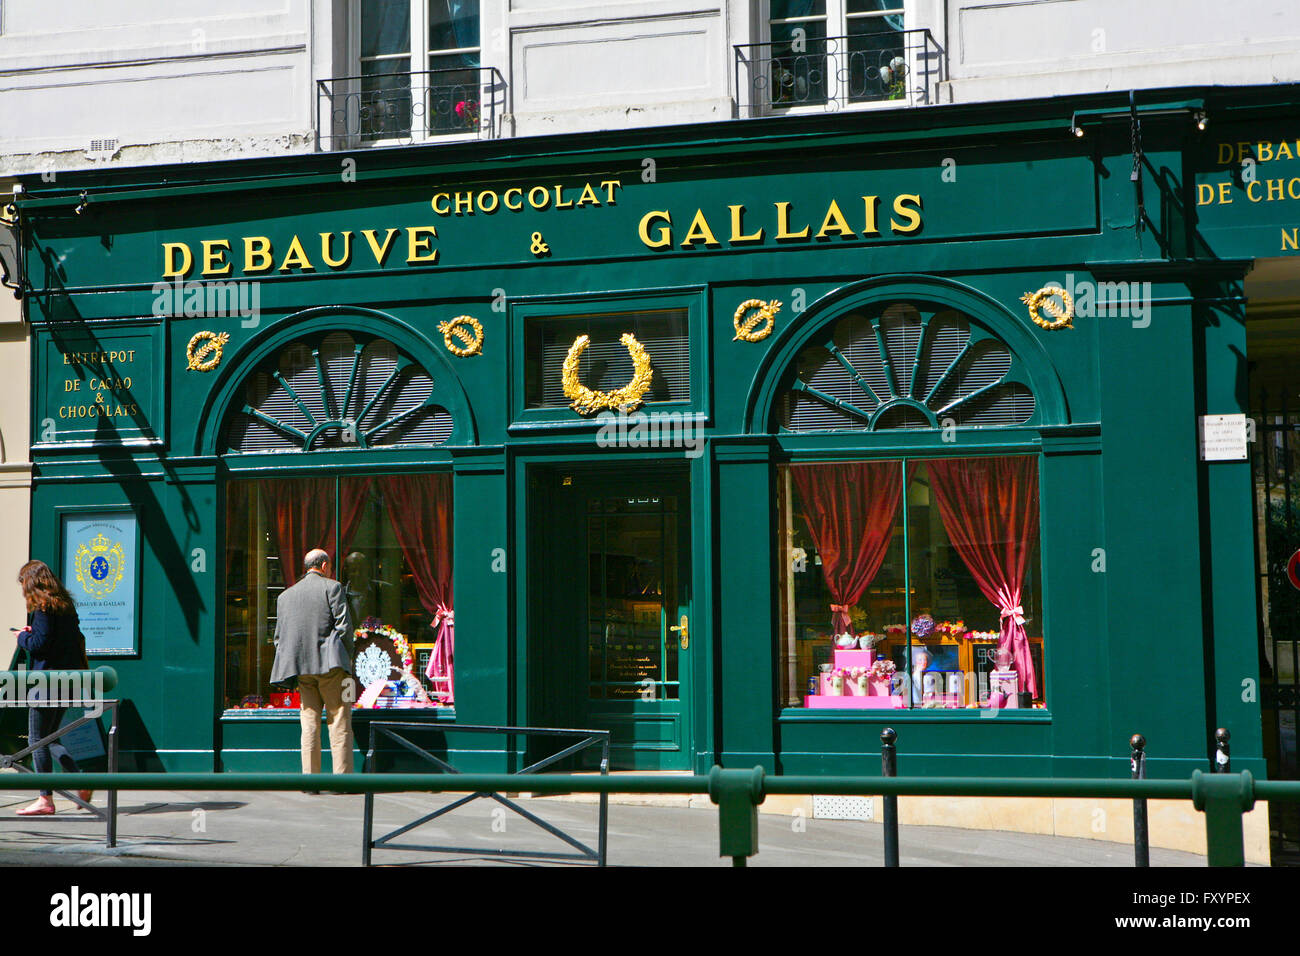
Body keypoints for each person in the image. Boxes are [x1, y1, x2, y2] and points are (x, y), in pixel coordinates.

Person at [14, 560, 92, 816]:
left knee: (37, 740)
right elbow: (58, 640)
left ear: (32, 582)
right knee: (51, 737)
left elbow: (40, 645)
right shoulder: (65, 605)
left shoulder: (44, 607)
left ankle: (45, 799)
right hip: (67, 680)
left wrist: (22, 637)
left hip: (46, 682)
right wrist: (33, 632)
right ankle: (81, 782)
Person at [269, 549, 355, 779]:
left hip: (302, 671)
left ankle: (310, 780)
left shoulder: (284, 596)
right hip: (332, 668)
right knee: (339, 722)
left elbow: (279, 638)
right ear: (325, 566)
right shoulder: (333, 587)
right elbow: (344, 628)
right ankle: (343, 780)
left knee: (308, 724)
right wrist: (348, 659)